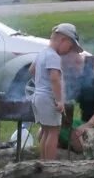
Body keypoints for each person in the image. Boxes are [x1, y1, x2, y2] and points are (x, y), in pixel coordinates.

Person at [27, 24, 71, 160]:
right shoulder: (54, 56)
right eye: (69, 46)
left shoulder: (42, 53)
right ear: (63, 40)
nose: (68, 50)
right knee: (53, 132)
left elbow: (31, 70)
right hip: (48, 98)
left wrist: (40, 84)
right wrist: (59, 100)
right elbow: (54, 79)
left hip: (38, 96)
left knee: (46, 131)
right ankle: (49, 165)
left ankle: (43, 162)